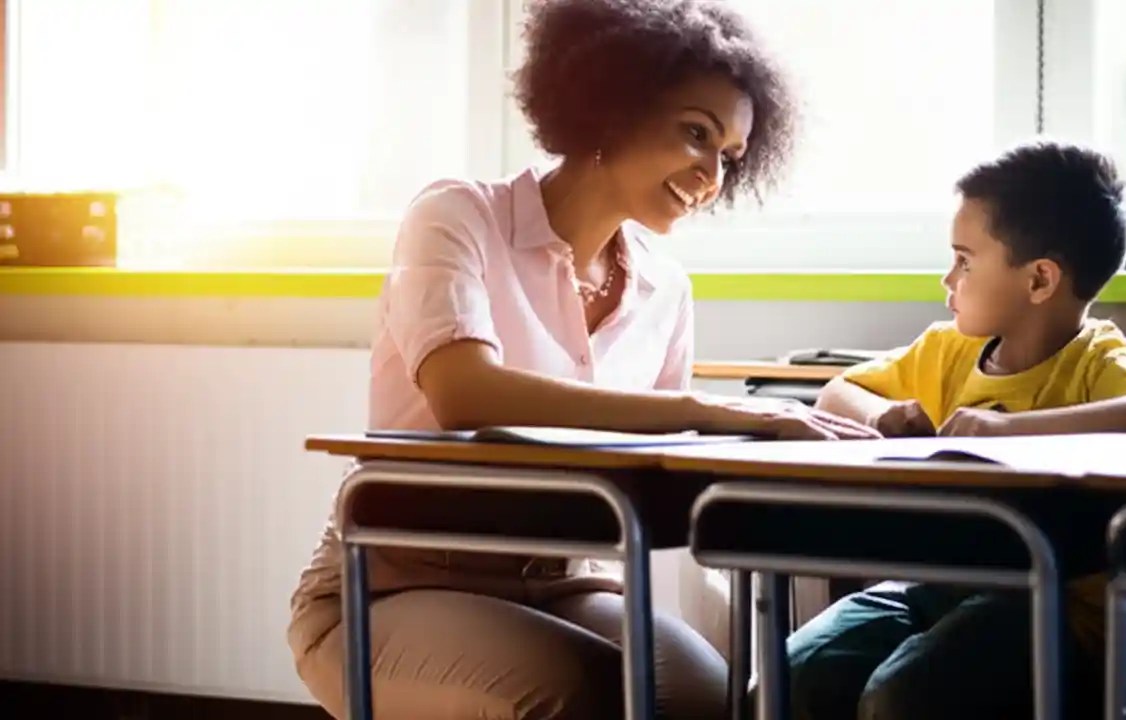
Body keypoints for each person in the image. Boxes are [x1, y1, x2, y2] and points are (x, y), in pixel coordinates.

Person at [287, 1, 878, 718]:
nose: (713, 177)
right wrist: (707, 410)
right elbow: (464, 392)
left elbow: (664, 473)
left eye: (727, 157)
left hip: (571, 582)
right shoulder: (457, 217)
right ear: (611, 108)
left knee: (704, 699)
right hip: (392, 581)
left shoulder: (666, 287)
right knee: (578, 695)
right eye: (695, 134)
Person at [788, 141, 1126, 720]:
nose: (946, 278)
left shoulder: (1098, 362)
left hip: (1061, 615)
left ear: (1039, 280)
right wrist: (881, 416)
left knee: (902, 698)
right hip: (939, 586)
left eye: (965, 260)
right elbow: (836, 391)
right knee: (796, 671)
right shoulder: (946, 350)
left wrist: (1007, 432)